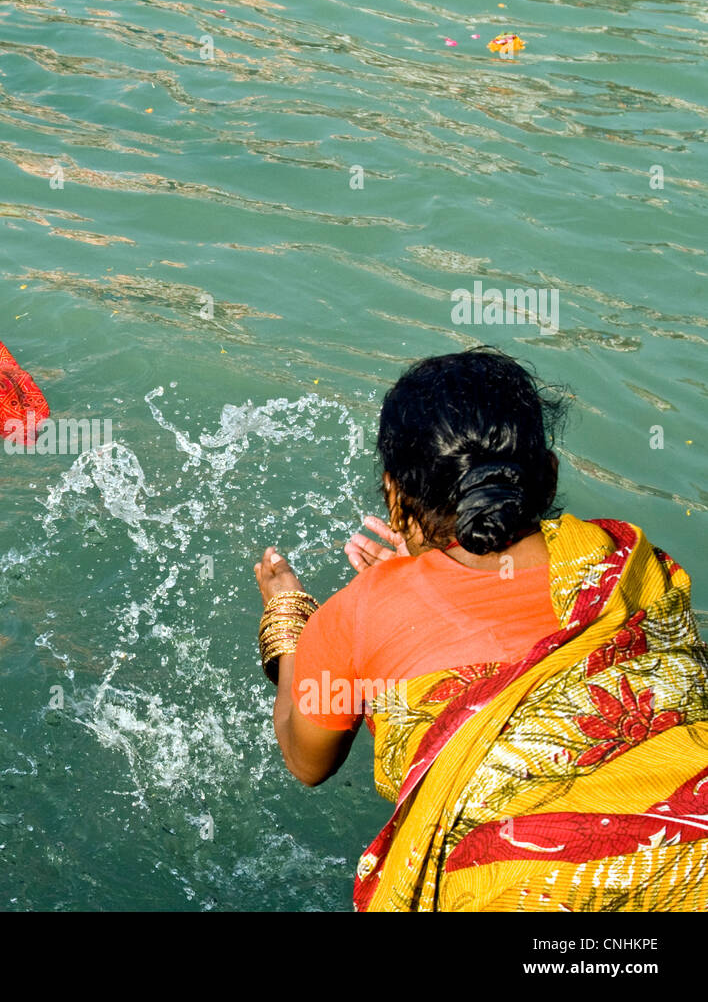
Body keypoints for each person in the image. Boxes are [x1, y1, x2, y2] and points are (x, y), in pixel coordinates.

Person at [253, 347, 708, 911]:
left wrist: (291, 622)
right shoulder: (620, 562)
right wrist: (415, 590)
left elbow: (306, 761)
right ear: (550, 476)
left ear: (395, 498)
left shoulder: (356, 613)